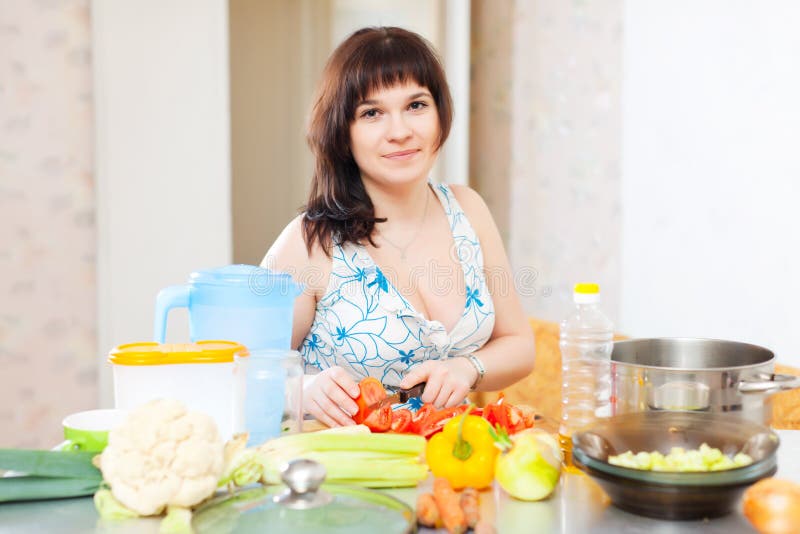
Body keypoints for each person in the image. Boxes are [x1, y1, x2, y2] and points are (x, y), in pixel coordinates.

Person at [264, 26, 535, 428]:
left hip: (451, 466)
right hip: (341, 478)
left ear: (441, 113)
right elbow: (240, 373)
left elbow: (520, 345)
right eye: (372, 113)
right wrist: (299, 390)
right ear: (343, 132)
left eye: (416, 105)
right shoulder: (309, 242)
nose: (400, 131)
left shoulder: (468, 209)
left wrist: (467, 368)